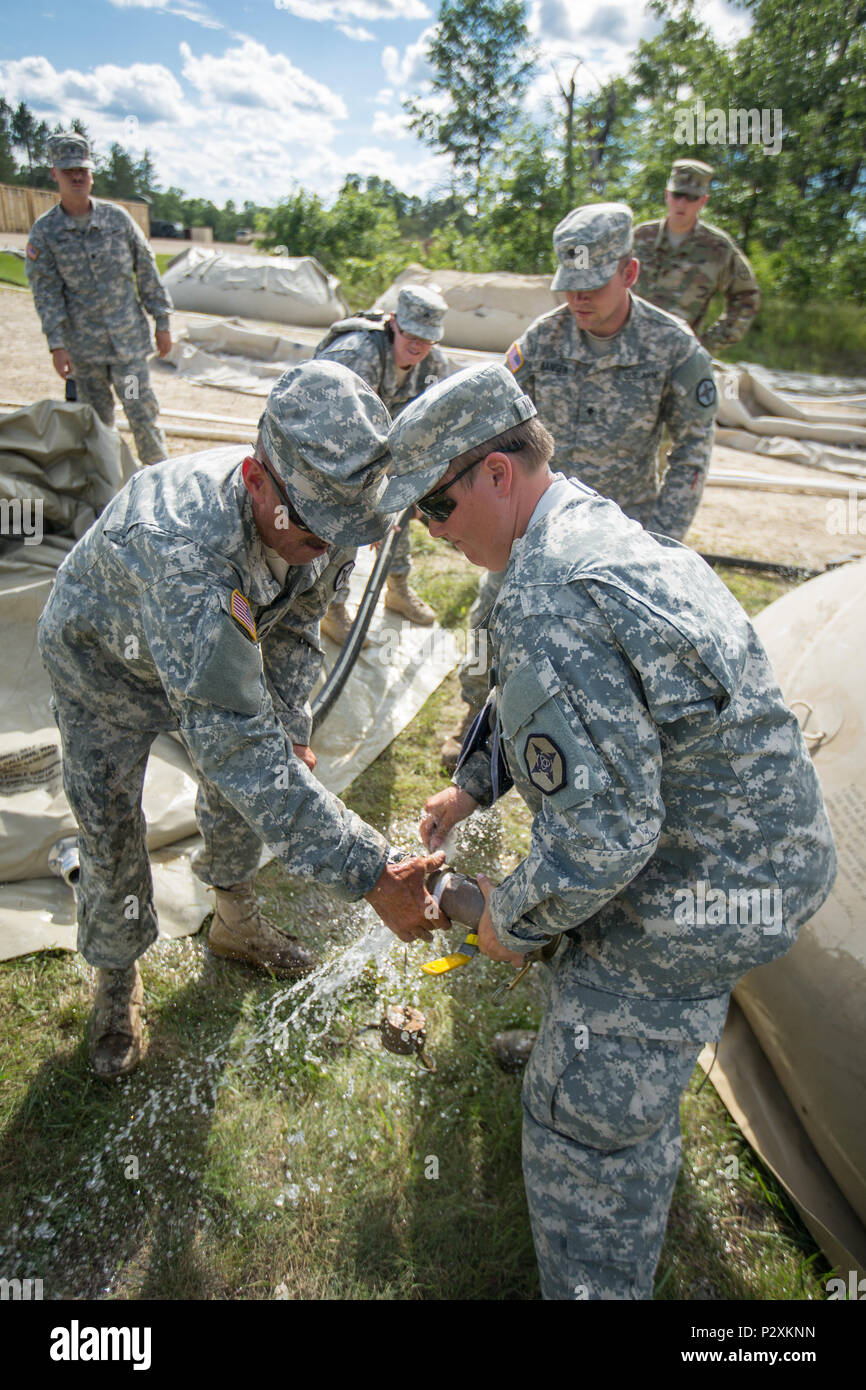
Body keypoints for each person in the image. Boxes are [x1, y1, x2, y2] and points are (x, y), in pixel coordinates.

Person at [381, 360, 836, 1300]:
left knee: (577, 1118)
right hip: (732, 841)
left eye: (434, 505)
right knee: (576, 954)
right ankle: (616, 1056)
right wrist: (472, 790)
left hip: (713, 879)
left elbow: (605, 836)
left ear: (497, 474)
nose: (431, 529)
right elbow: (548, 708)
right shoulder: (564, 532)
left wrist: (501, 919)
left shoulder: (556, 592)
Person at [37, 360, 447, 1080]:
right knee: (108, 822)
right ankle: (115, 974)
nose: (331, 546)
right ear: (258, 480)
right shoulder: (182, 549)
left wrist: (290, 723)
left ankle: (233, 920)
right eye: (319, 531)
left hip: (214, 651)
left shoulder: (327, 516)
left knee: (248, 783)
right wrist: (372, 871)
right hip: (105, 663)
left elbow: (295, 626)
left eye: (346, 531)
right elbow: (235, 747)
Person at [442, 202, 718, 768]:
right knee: (488, 621)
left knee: (620, 643)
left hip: (621, 530)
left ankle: (616, 743)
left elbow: (694, 451)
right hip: (532, 521)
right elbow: (490, 416)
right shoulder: (542, 340)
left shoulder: (674, 348)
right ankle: (476, 719)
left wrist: (661, 539)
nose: (579, 300)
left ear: (630, 272)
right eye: (570, 286)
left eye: (593, 285)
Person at [25, 131, 173, 466]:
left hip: (127, 348)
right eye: (68, 171)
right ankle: (105, 494)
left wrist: (162, 320)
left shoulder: (117, 220)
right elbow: (46, 292)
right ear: (55, 174)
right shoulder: (45, 233)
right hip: (85, 352)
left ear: (91, 174)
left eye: (83, 170)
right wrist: (57, 343)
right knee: (96, 425)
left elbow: (146, 270)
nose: (77, 177)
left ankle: (156, 479)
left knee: (141, 413)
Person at [314, 283, 451, 641]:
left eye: (427, 338)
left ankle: (397, 589)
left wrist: (413, 490)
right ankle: (332, 606)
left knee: (401, 509)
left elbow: (432, 432)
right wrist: (373, 501)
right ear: (393, 323)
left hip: (384, 455)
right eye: (410, 334)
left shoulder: (434, 365)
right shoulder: (356, 356)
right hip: (332, 452)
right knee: (349, 519)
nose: (417, 345)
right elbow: (334, 438)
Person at [633, 159, 761, 353]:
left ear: (703, 201)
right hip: (627, 349)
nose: (682, 203)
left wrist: (706, 346)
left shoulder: (718, 248)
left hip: (678, 357)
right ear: (667, 195)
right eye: (677, 195)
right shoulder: (639, 237)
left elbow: (746, 298)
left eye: (691, 197)